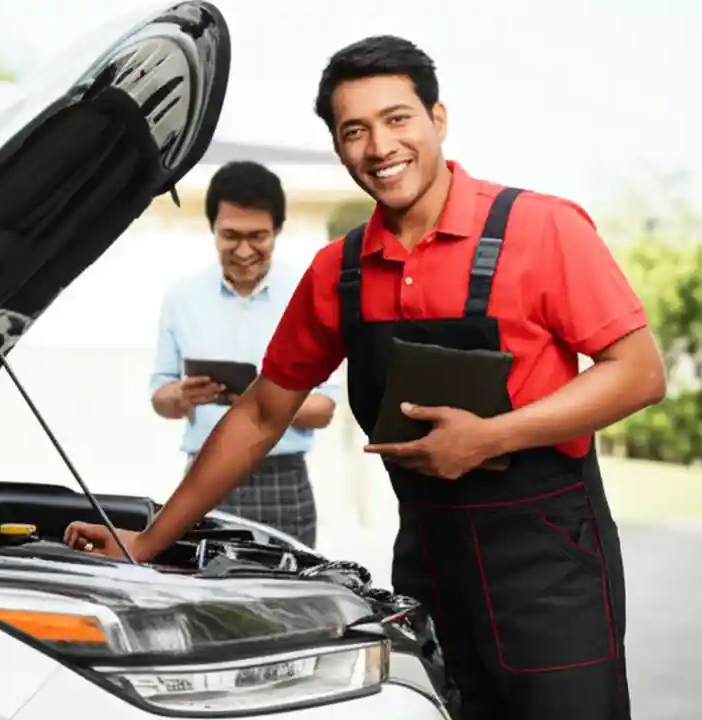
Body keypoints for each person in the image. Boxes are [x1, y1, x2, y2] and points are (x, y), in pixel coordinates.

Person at [67, 35, 666, 720]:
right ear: (338, 146)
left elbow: (638, 373)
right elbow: (261, 414)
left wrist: (491, 437)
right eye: (354, 131)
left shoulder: (542, 228)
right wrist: (148, 540)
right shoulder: (339, 273)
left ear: (438, 119)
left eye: (397, 118)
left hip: (550, 563)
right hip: (429, 565)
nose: (380, 146)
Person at [147, 160, 337, 547]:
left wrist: (257, 399)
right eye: (230, 235)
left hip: (281, 479)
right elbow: (160, 398)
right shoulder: (182, 298)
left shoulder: (308, 294)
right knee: (196, 585)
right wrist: (183, 396)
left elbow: (324, 410)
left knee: (288, 587)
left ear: (278, 230)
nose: (244, 250)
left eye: (258, 236)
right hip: (202, 476)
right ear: (213, 229)